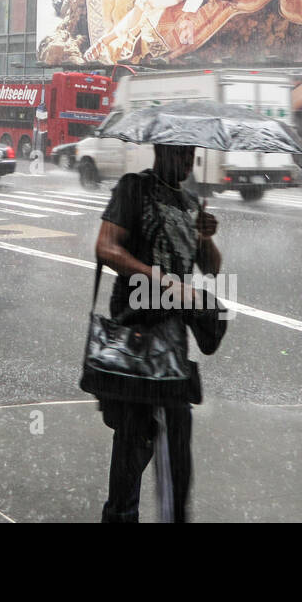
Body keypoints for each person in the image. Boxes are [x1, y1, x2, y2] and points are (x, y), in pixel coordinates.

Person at [91, 144, 222, 523]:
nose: (188, 163)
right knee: (132, 452)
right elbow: (105, 247)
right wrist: (157, 279)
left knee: (179, 455)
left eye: (191, 155)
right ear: (162, 151)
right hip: (136, 340)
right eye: (182, 155)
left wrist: (206, 237)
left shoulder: (190, 202)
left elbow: (211, 268)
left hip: (175, 345)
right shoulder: (133, 188)